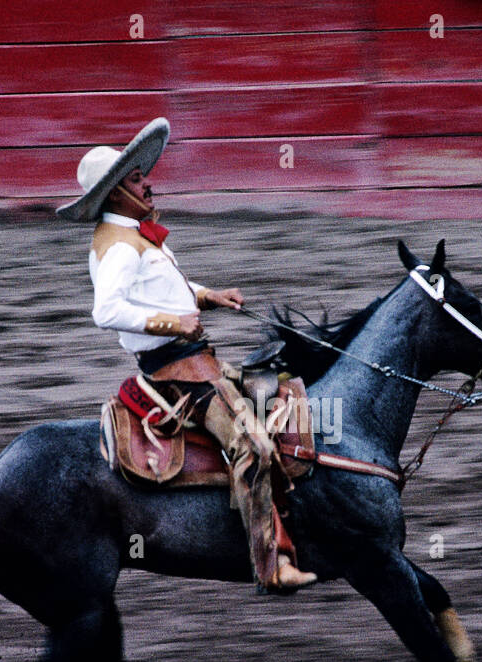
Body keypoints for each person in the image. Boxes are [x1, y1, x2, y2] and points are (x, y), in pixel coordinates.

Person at [57, 118, 317, 591]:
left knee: (275, 396)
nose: (147, 181)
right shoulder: (120, 247)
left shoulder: (135, 235)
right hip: (179, 373)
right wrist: (174, 324)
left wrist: (207, 295)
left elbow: (165, 292)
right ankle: (271, 566)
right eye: (135, 178)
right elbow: (107, 310)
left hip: (195, 360)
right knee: (254, 448)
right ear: (116, 192)